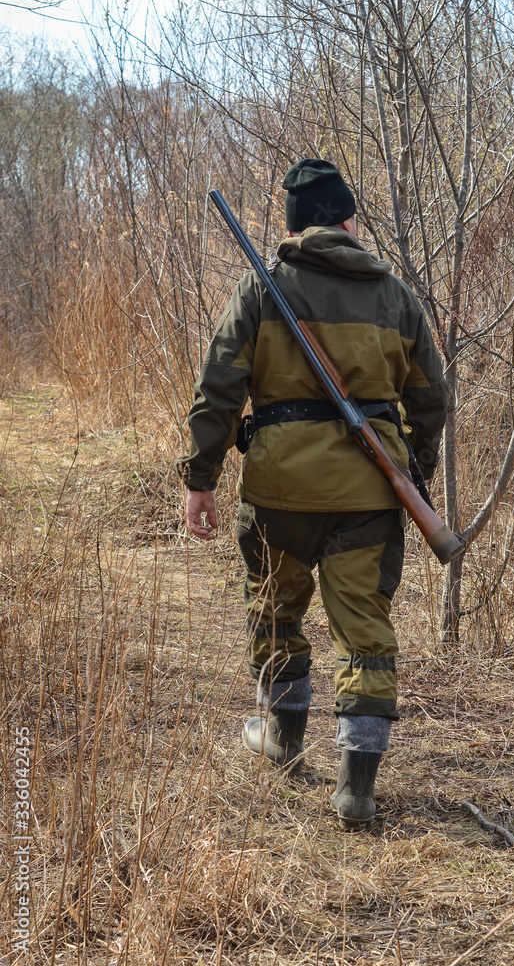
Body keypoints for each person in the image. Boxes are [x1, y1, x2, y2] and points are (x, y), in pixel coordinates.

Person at [179, 159, 448, 829]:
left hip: (279, 493)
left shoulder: (262, 287)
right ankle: (357, 788)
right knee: (365, 633)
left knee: (275, 613)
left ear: (294, 226)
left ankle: (282, 740)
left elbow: (218, 390)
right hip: (371, 496)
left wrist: (200, 479)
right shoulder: (395, 296)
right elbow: (430, 399)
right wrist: (412, 472)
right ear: (350, 221)